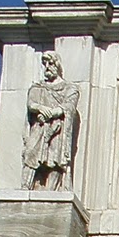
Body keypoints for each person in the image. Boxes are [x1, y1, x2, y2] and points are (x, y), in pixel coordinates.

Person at [22, 52, 79, 191]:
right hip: (39, 127)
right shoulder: (38, 87)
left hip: (57, 128)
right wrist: (40, 108)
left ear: (58, 65)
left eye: (51, 63)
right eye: (45, 64)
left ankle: (52, 191)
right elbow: (31, 103)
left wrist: (53, 113)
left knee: (56, 159)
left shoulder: (70, 88)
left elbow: (69, 105)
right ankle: (25, 187)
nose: (47, 67)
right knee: (30, 153)